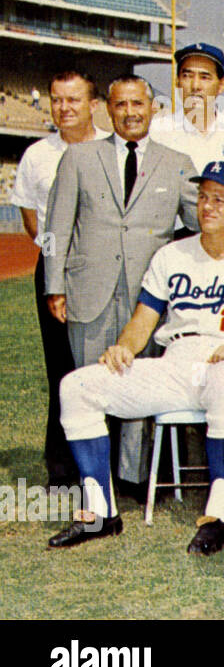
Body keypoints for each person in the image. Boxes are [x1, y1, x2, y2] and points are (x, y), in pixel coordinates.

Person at [47, 162, 224, 553]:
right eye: (202, 197)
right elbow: (143, 321)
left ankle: (217, 516)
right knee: (76, 386)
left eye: (219, 199)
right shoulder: (172, 255)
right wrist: (123, 348)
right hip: (177, 360)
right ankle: (100, 513)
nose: (207, 207)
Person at [43, 76, 198, 489]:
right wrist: (54, 285)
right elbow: (56, 226)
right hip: (88, 292)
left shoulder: (178, 161)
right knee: (87, 385)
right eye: (120, 105)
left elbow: (202, 222)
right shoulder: (78, 158)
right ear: (107, 110)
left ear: (153, 108)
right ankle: (90, 477)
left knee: (140, 383)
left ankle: (132, 478)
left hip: (147, 301)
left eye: (138, 104)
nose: (130, 112)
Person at [12, 71, 109, 486]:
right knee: (62, 368)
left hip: (107, 269)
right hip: (56, 268)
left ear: (92, 104)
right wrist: (60, 266)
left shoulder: (112, 147)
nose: (64, 108)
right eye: (56, 100)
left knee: (109, 364)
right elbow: (33, 221)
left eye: (73, 99)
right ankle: (63, 467)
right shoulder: (37, 154)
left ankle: (117, 466)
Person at [151, 43, 224, 237]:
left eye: (205, 77)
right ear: (178, 81)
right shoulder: (158, 132)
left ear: (221, 84)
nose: (195, 86)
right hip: (173, 239)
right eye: (187, 75)